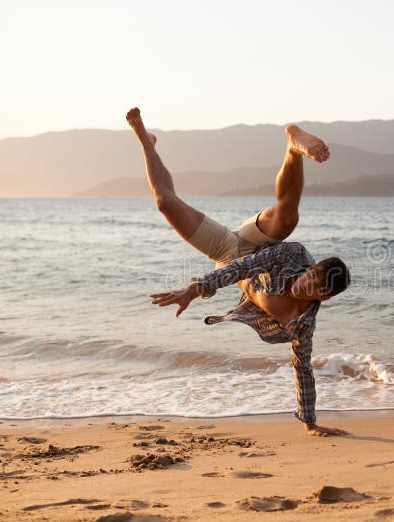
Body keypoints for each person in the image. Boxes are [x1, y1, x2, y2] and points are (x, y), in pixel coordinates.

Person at [125, 108, 351, 437]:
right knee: (288, 218)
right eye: (311, 274)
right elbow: (244, 267)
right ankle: (293, 146)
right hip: (253, 245)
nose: (306, 281)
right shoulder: (295, 256)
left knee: (164, 202)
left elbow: (302, 368)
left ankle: (147, 143)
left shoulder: (302, 324)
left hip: (224, 250)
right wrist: (197, 289)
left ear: (324, 297)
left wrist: (311, 424)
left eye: (314, 285)